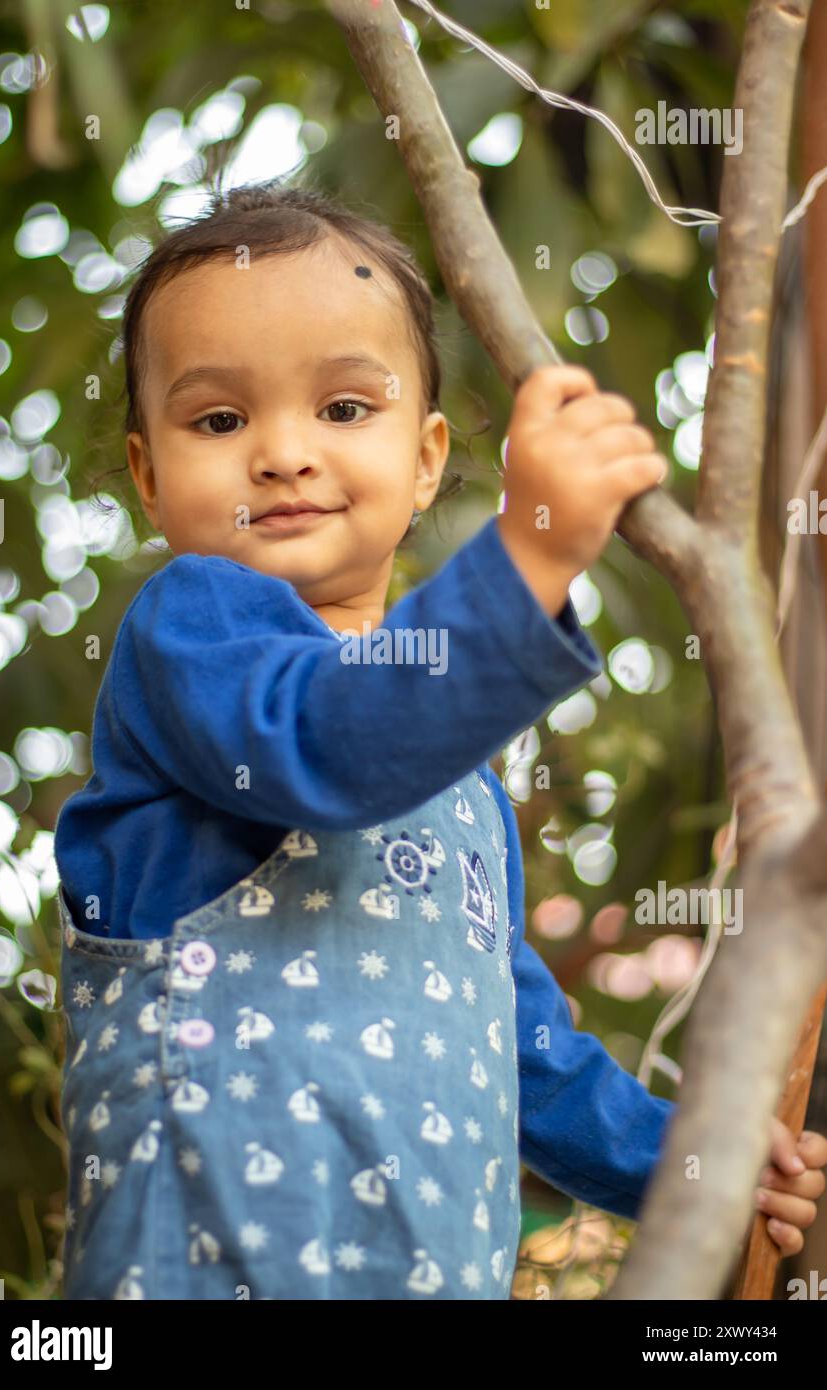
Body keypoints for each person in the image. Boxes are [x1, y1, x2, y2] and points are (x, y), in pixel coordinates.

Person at [53, 180, 825, 1300]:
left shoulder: (454, 781)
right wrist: (527, 557)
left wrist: (693, 1163)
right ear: (148, 474)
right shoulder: (193, 628)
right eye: (219, 420)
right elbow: (327, 738)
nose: (281, 453)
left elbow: (519, 1048)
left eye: (342, 410)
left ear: (423, 459)